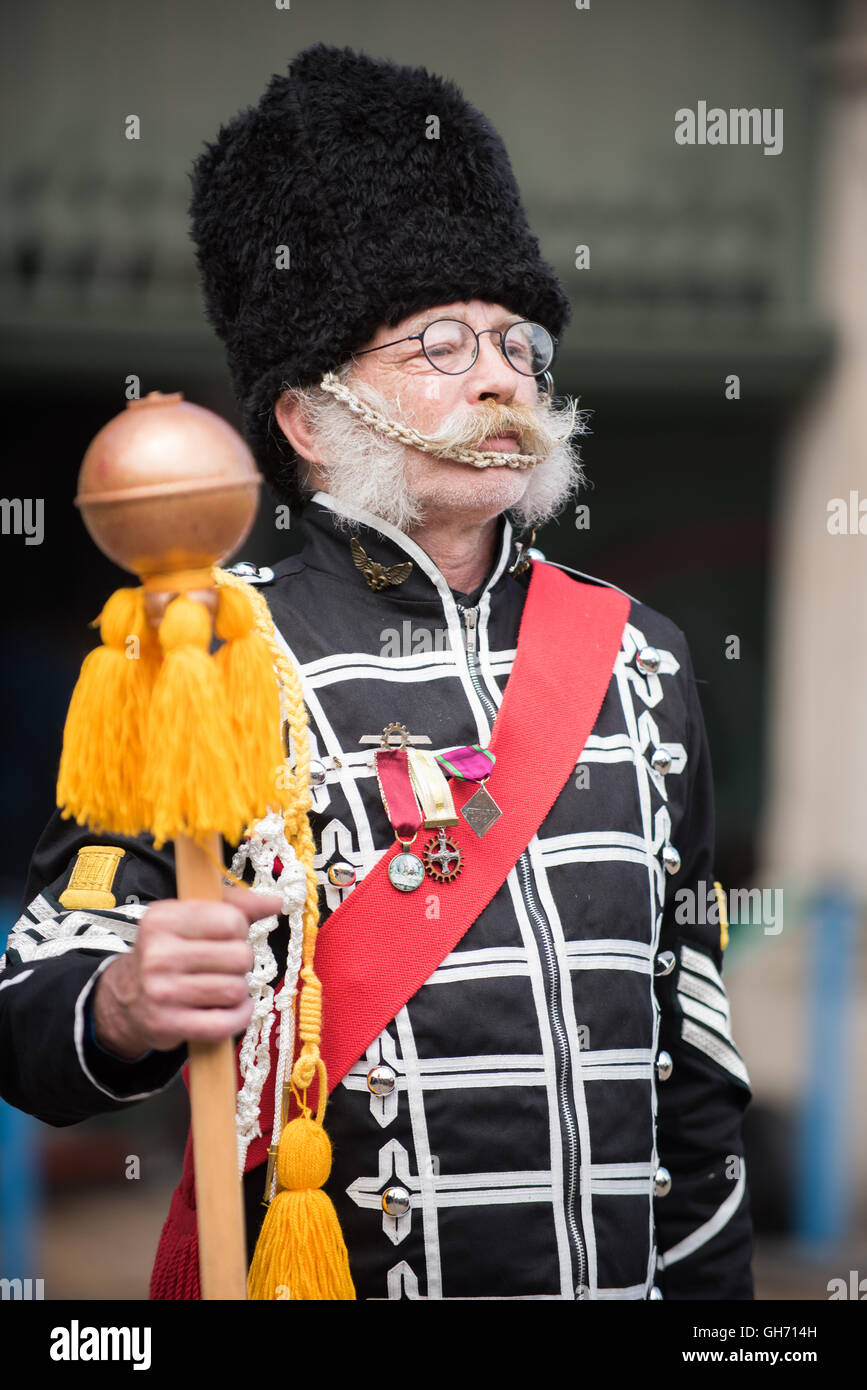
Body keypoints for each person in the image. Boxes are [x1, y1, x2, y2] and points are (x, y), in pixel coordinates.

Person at [0, 44, 753, 1301]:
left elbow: (697, 1077)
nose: (505, 375)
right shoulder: (200, 653)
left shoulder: (641, 657)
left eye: (520, 344)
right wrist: (126, 1001)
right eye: (443, 343)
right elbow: (33, 1010)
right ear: (305, 417)